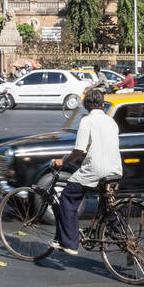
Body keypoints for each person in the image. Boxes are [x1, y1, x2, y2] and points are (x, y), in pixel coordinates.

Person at [49, 88, 122, 254]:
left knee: (68, 197)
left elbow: (79, 150)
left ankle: (69, 243)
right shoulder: (111, 122)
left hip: (96, 169)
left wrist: (63, 161)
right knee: (108, 204)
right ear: (103, 105)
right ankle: (122, 236)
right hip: (116, 169)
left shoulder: (87, 121)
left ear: (86, 106)